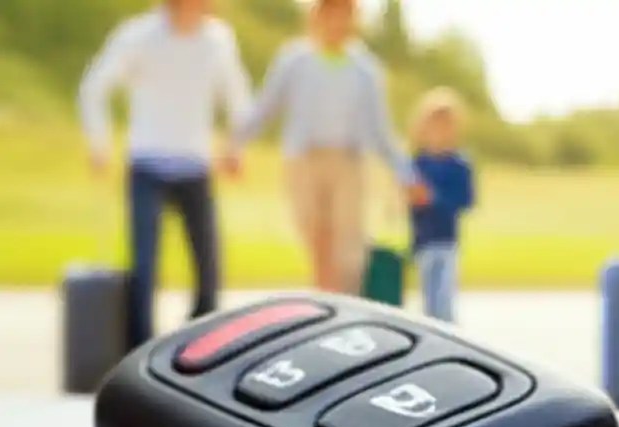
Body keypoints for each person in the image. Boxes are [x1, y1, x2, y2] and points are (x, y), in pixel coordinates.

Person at [78, 0, 252, 348]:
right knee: (144, 268)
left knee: (208, 271)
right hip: (148, 165)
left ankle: (201, 349)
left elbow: (239, 100)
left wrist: (235, 146)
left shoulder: (219, 39)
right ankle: (138, 350)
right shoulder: (139, 35)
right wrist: (99, 142)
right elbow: (94, 88)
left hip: (195, 168)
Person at [226, 0, 427, 296]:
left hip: (347, 162)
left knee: (347, 251)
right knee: (317, 239)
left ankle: (343, 304)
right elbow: (265, 107)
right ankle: (326, 301)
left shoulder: (365, 69)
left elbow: (381, 130)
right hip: (304, 160)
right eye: (331, 15)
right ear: (317, 17)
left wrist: (406, 174)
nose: (337, 23)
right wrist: (235, 144)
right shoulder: (294, 60)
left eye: (345, 16)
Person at [408, 88, 475, 323]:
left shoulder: (459, 164)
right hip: (423, 241)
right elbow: (411, 204)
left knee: (444, 298)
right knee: (428, 302)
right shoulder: (418, 163)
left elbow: (466, 201)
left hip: (446, 241)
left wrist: (433, 198)